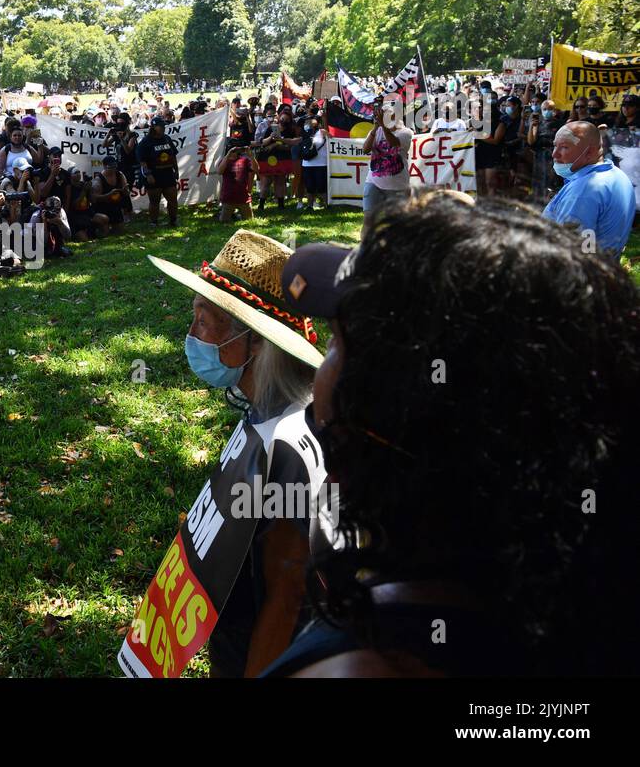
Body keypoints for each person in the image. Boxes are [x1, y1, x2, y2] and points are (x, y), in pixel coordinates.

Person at [264, 192, 639, 676]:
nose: (321, 378)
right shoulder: (587, 580)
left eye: (338, 342)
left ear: (407, 411)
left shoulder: (363, 667)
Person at [120, 232, 327, 679]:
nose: (191, 333)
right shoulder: (264, 414)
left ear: (254, 340)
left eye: (204, 318)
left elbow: (286, 596)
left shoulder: (286, 444)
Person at [541, 120, 637, 259]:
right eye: (555, 146)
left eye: (564, 147)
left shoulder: (583, 191)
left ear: (590, 152)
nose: (554, 154)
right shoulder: (617, 174)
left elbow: (574, 253)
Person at [360, 106, 413, 238]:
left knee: (397, 223)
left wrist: (383, 127)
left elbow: (394, 143)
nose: (386, 118)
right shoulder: (376, 131)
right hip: (373, 182)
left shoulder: (406, 132)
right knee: (369, 220)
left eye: (389, 116)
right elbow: (365, 149)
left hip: (398, 185)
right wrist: (374, 129)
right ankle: (364, 250)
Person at [137, 117, 180, 226]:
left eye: (164, 126)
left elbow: (173, 155)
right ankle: (154, 222)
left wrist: (176, 169)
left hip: (168, 173)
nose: (163, 128)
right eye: (160, 126)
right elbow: (142, 161)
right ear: (153, 127)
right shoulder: (146, 142)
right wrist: (148, 174)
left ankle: (173, 220)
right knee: (154, 201)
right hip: (154, 175)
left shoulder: (167, 138)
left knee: (173, 199)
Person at [218, 145, 259, 223]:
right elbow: (220, 171)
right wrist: (227, 155)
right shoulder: (224, 161)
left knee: (249, 221)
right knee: (224, 221)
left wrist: (251, 157)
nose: (234, 152)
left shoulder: (245, 160)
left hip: (243, 196)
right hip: (228, 197)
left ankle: (236, 215)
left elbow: (256, 169)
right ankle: (233, 215)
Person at [91, 155, 130, 235]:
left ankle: (122, 218)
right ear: (104, 166)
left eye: (115, 166)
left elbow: (126, 192)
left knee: (119, 232)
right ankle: (101, 226)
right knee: (106, 233)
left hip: (116, 206)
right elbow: (94, 198)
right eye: (111, 167)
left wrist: (125, 191)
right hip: (103, 208)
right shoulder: (99, 179)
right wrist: (109, 194)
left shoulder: (120, 174)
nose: (113, 169)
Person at [298, 115, 328, 211]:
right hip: (307, 164)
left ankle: (327, 205)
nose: (309, 123)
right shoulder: (304, 133)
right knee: (309, 186)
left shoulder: (322, 132)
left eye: (311, 121)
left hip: (321, 164)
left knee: (321, 186)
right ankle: (310, 206)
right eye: (307, 122)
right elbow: (297, 141)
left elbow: (333, 140)